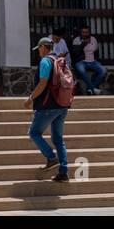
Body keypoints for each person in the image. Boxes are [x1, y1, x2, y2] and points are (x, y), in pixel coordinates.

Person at [25, 36, 71, 183]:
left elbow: (43, 83)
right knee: (58, 139)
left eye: (39, 48)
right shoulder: (60, 60)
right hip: (62, 105)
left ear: (43, 47)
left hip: (47, 106)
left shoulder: (45, 61)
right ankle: (63, 172)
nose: (38, 52)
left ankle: (51, 158)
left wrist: (30, 98)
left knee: (34, 132)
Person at [71, 25, 106, 95]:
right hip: (81, 62)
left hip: (93, 61)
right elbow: (75, 53)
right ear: (80, 33)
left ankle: (91, 88)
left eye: (86, 32)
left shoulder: (93, 39)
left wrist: (97, 61)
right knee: (81, 71)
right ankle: (93, 89)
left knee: (103, 70)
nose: (85, 34)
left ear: (89, 32)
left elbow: (96, 51)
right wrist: (83, 44)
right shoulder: (76, 40)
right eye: (83, 32)